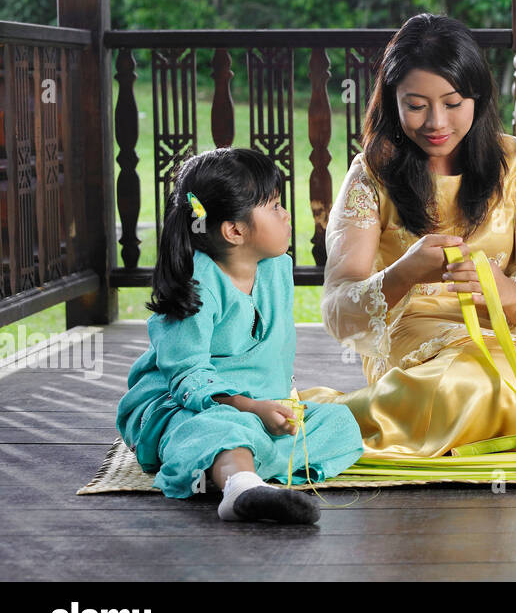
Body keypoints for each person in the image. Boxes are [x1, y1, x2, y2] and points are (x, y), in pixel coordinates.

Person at [300, 14, 516, 457]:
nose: (435, 122)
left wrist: (505, 292)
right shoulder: (371, 175)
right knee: (462, 384)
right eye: (416, 105)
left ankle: (432, 424)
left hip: (499, 341)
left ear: (477, 96)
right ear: (392, 102)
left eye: (453, 102)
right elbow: (337, 310)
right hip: (411, 344)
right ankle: (414, 414)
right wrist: (404, 273)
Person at [116, 148, 364, 524]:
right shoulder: (196, 285)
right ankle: (240, 487)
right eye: (275, 206)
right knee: (222, 428)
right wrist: (248, 408)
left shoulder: (276, 269)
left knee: (339, 424)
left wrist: (273, 406)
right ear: (234, 231)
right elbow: (186, 376)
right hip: (185, 403)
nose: (286, 216)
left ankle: (240, 468)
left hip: (257, 406)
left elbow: (272, 356)